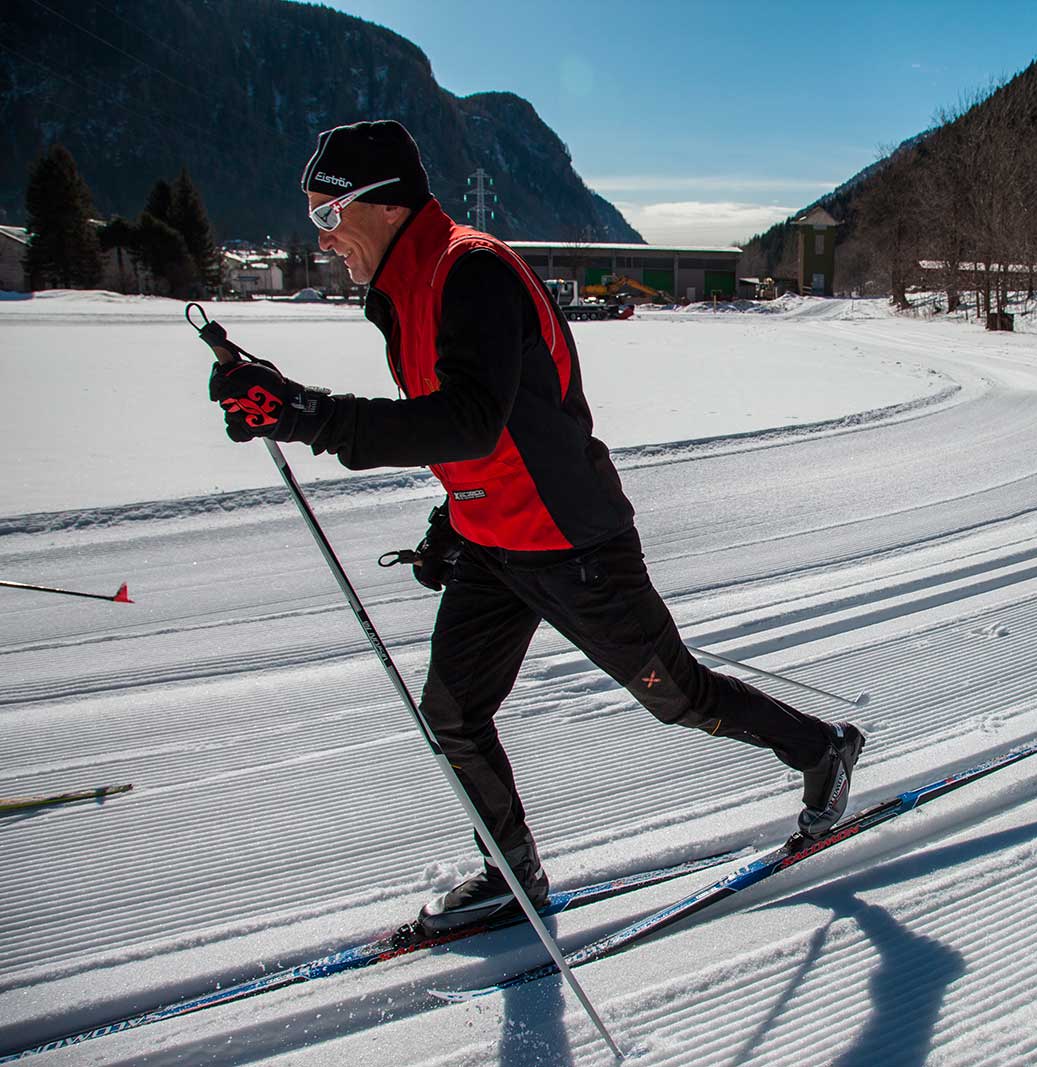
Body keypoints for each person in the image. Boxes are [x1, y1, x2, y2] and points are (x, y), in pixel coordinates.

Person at [206, 120, 864, 934]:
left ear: (376, 204)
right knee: (450, 710)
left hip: (575, 545)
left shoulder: (469, 270)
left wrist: (308, 414)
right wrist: (453, 522)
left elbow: (471, 420)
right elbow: (492, 433)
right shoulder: (407, 290)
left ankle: (821, 749)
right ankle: (514, 878)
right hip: (494, 547)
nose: (326, 238)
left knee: (679, 697)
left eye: (325, 216)